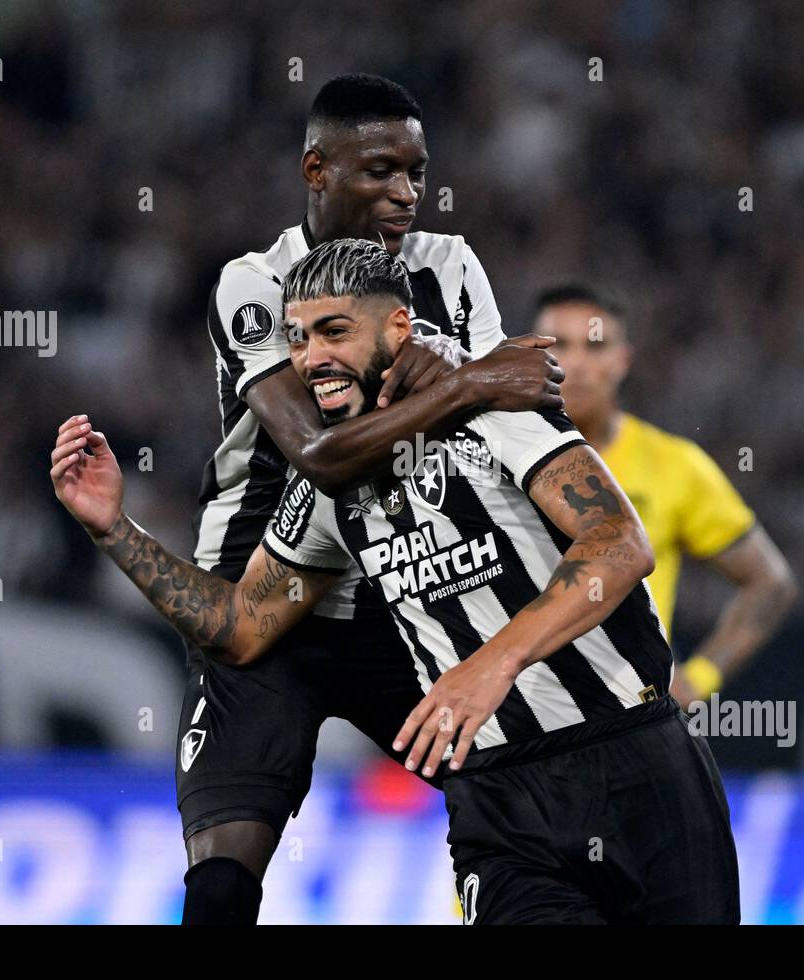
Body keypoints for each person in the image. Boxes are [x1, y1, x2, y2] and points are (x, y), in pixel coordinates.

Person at [53, 238, 741, 923]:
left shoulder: (498, 408)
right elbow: (239, 627)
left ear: (399, 329)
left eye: (334, 331)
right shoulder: (327, 485)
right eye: (296, 338)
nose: (312, 358)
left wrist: (494, 662)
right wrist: (115, 528)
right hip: (498, 806)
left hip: (636, 760)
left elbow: (619, 543)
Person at [53, 74, 563, 925]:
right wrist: (469, 380)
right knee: (220, 885)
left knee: (522, 817)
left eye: (416, 171)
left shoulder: (451, 265)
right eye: (379, 172)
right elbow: (319, 452)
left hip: (409, 589)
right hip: (267, 590)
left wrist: (479, 393)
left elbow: (494, 433)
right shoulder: (253, 282)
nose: (405, 194)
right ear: (316, 169)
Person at [532, 284, 797, 706]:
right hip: (515, 718)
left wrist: (699, 679)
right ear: (530, 354)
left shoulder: (674, 466)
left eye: (596, 345)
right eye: (560, 344)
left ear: (623, 361)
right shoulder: (491, 455)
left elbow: (771, 583)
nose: (578, 362)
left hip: (629, 719)